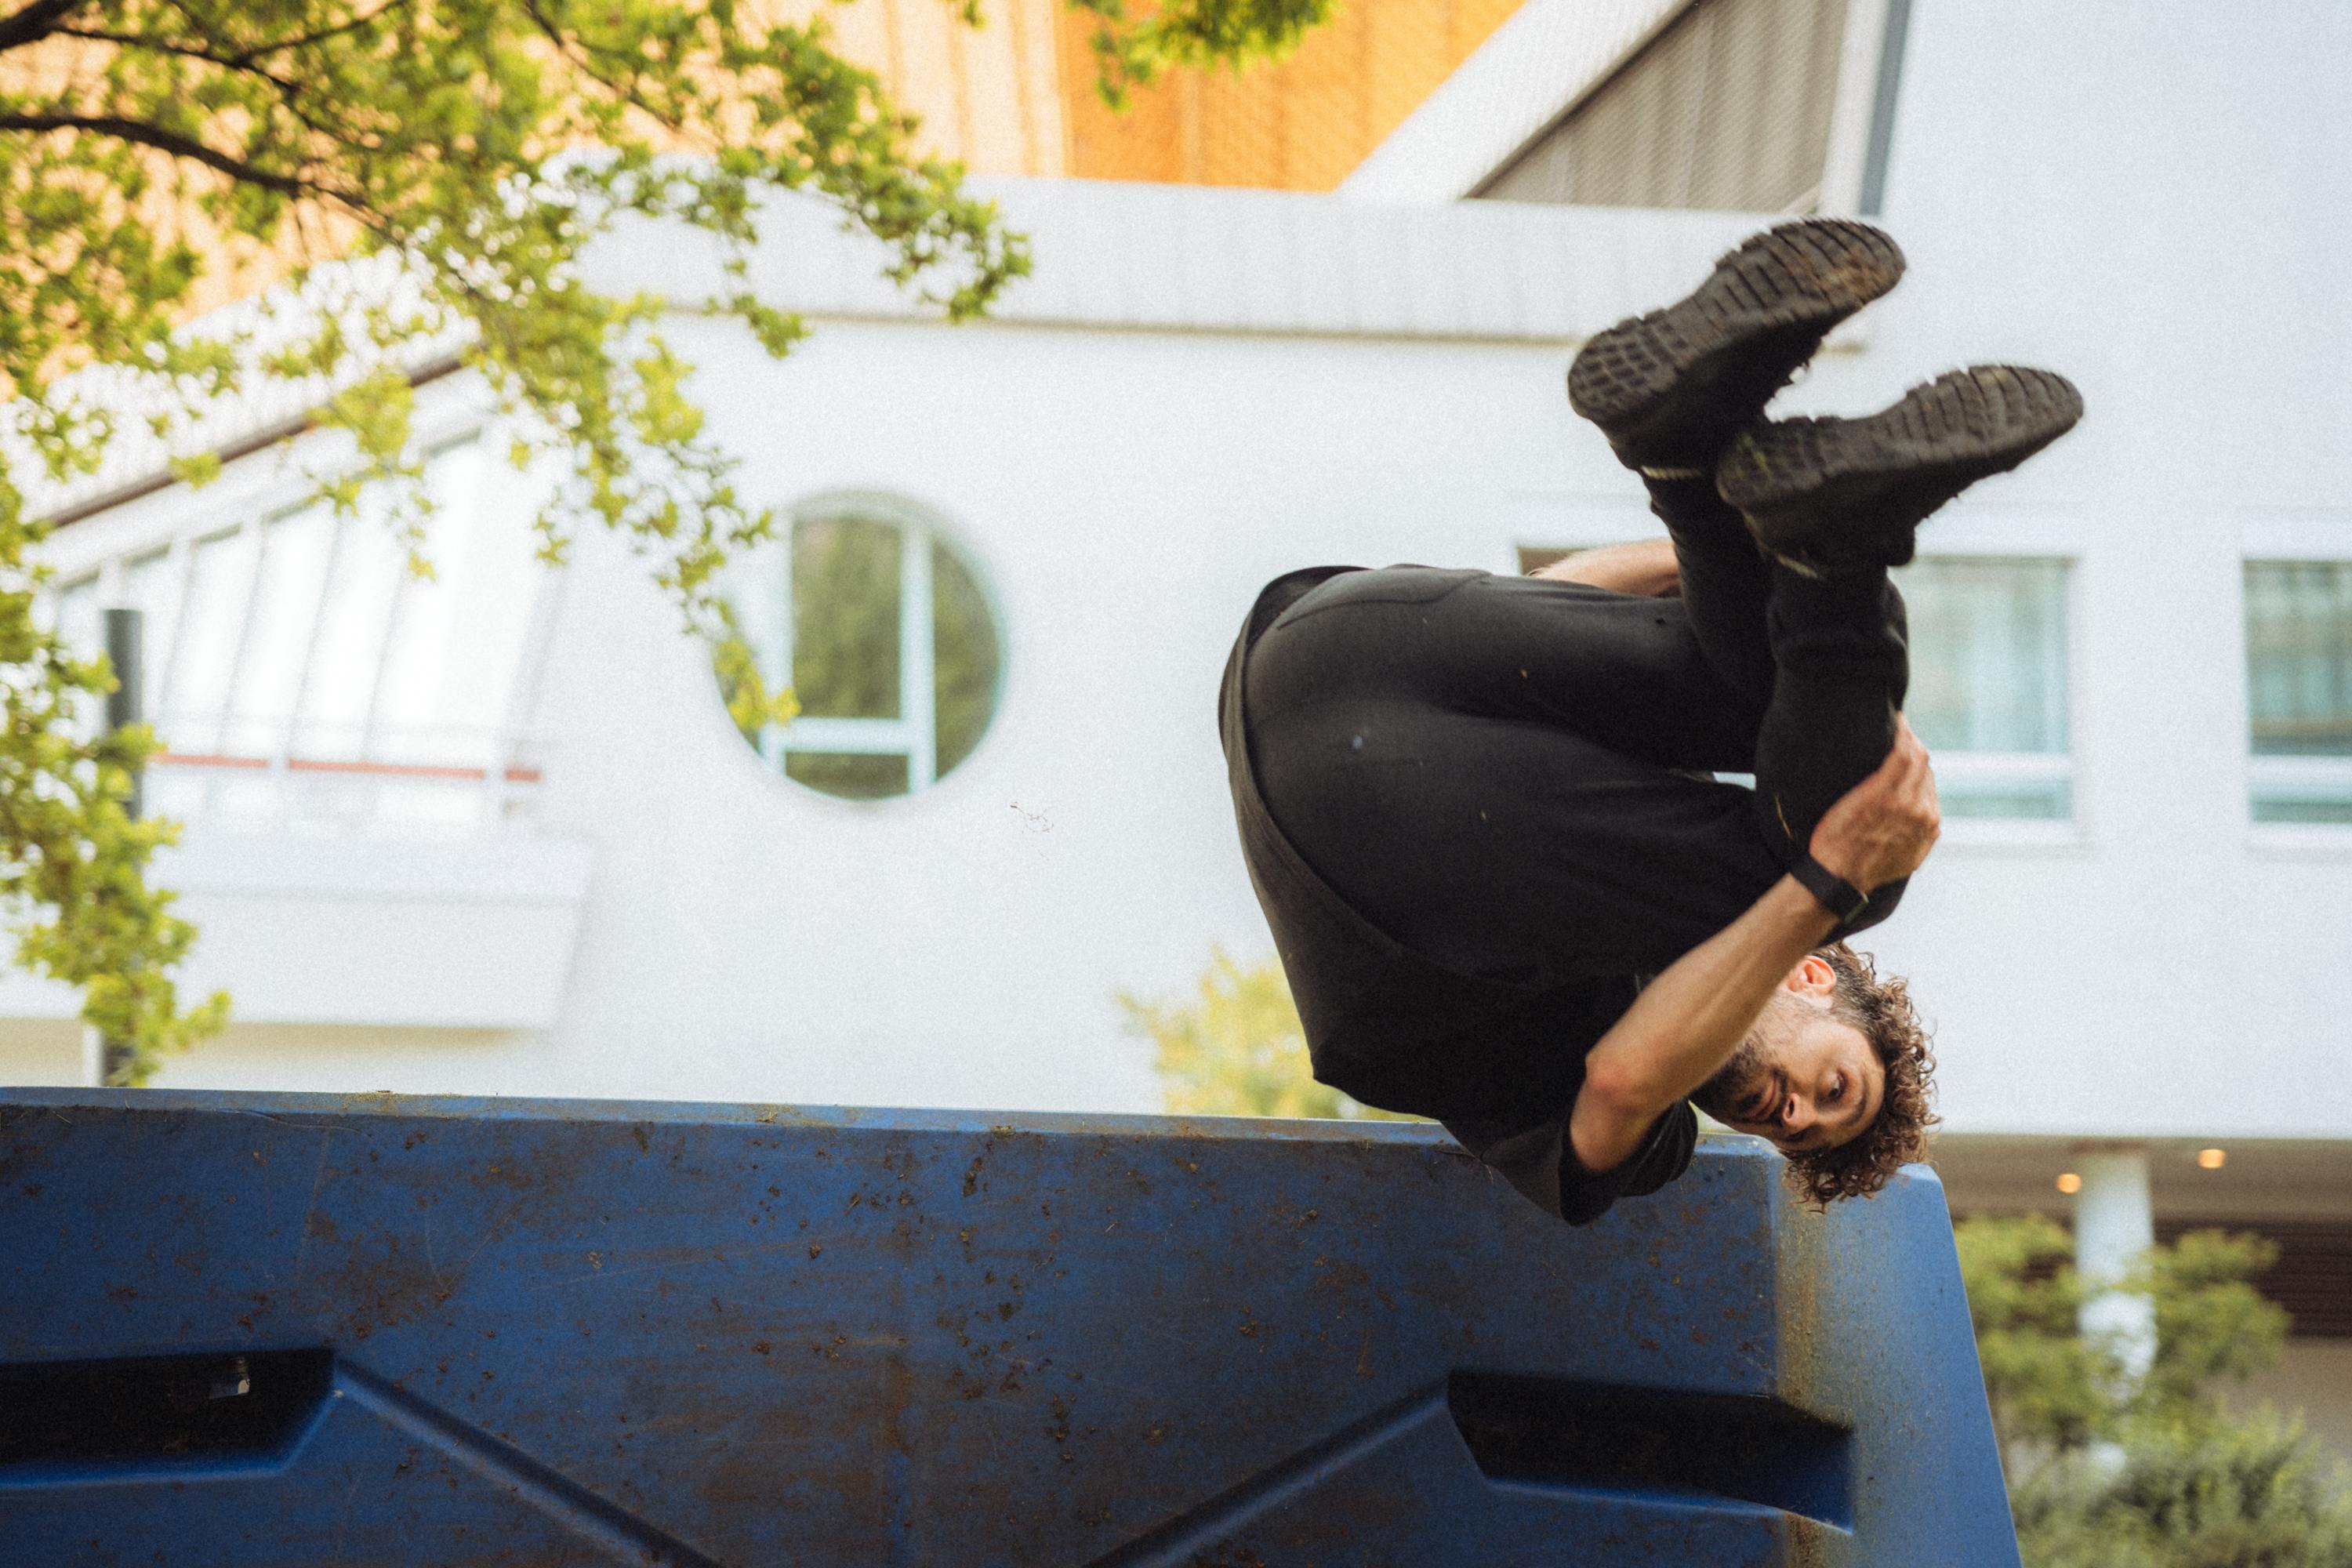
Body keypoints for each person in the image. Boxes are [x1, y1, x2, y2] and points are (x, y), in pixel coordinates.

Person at [1218, 218, 2082, 1224]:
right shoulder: (1688, 877)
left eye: (1787, 1131)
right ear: (1810, 977)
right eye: (1831, 1088)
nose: (1786, 1112)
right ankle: (1788, 525)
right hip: (1367, 662)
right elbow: (1565, 605)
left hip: (1341, 700)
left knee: (1849, 849)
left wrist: (1832, 877)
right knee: (1792, 708)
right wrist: (1740, 552)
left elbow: (1625, 1081)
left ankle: (1703, 463)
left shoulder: (1652, 1121)